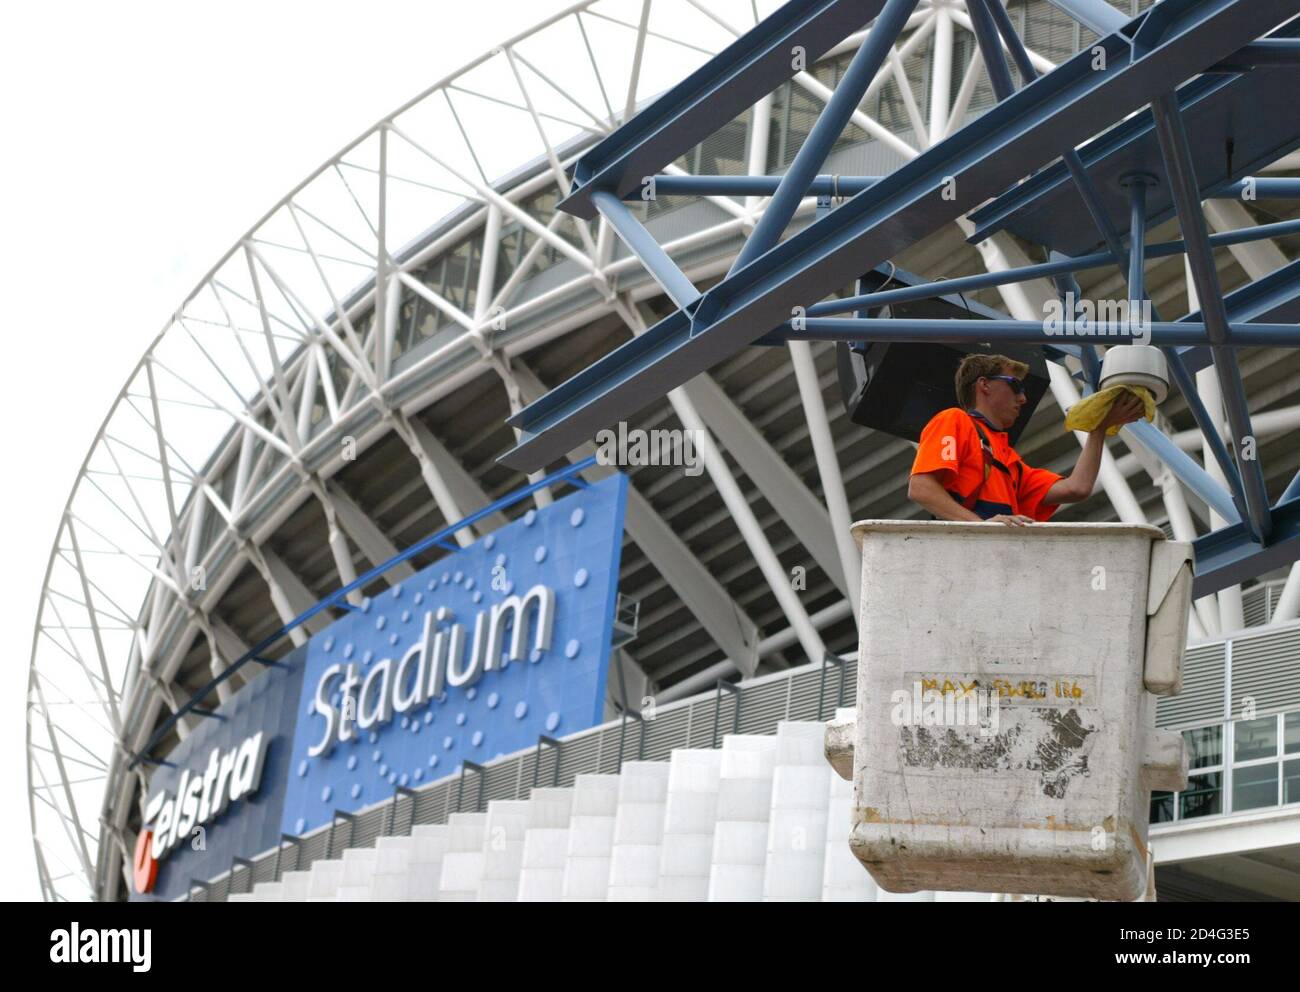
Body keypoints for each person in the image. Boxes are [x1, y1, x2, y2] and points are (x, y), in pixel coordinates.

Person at [908, 354, 1145, 525]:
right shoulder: (954, 420)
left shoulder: (1009, 461)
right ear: (984, 385)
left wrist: (1099, 428)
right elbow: (920, 488)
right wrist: (982, 526)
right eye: (1015, 386)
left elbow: (1077, 488)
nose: (1022, 398)